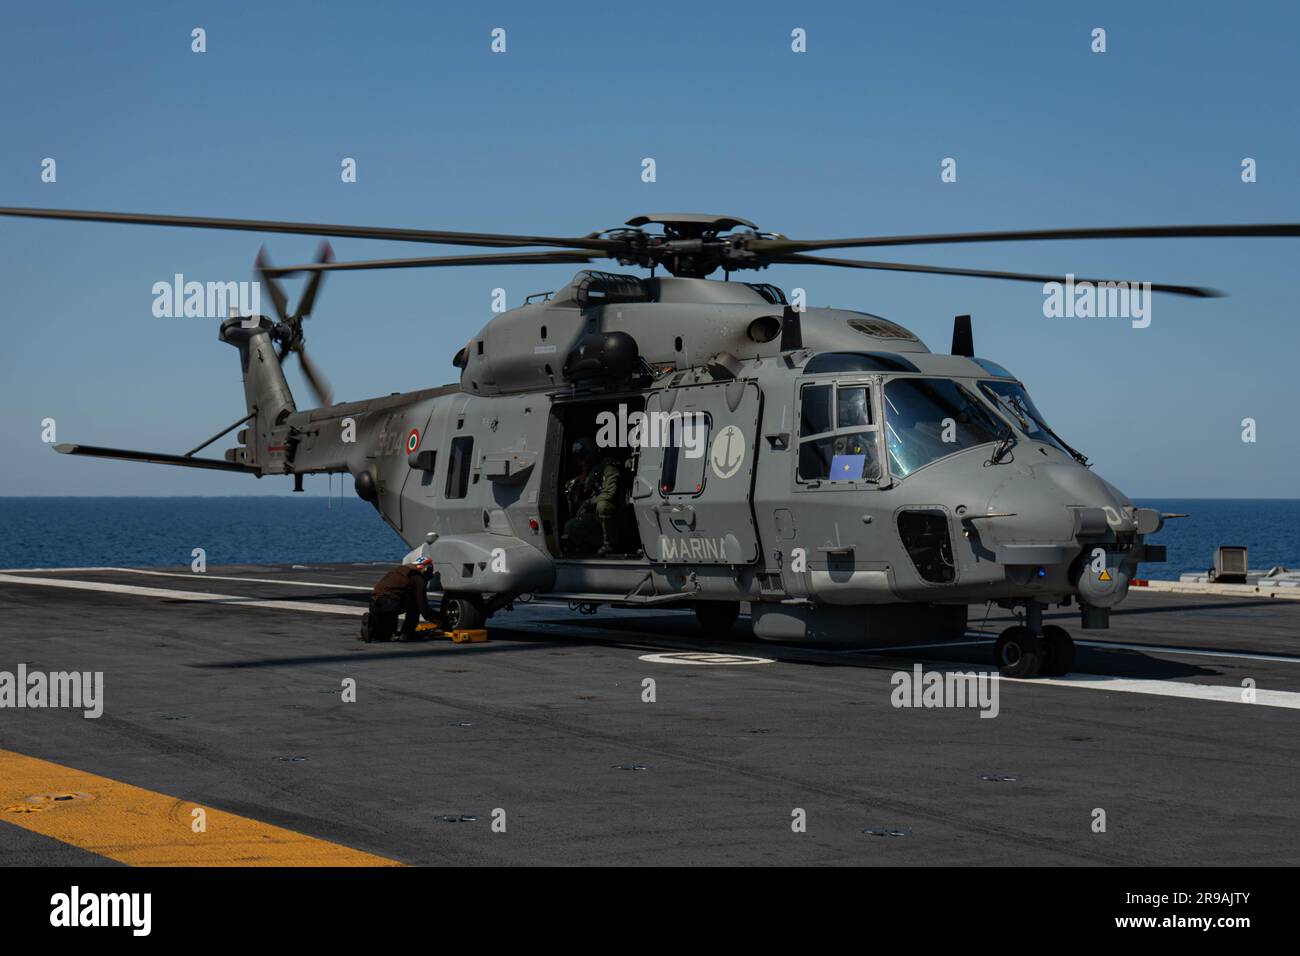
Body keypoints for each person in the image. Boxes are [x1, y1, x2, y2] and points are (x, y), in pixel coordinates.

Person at [562, 437, 624, 556]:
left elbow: (609, 494)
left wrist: (588, 503)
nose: (580, 461)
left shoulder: (608, 466)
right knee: (571, 526)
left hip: (616, 516)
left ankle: (610, 545)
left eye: (582, 456)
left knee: (603, 506)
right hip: (597, 518)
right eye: (578, 457)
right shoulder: (587, 474)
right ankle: (586, 547)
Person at [359, 556, 438, 643]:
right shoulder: (418, 578)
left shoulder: (400, 569)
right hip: (390, 605)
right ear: (426, 569)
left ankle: (371, 626)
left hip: (374, 603)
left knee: (384, 637)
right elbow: (425, 611)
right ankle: (407, 633)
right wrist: (442, 620)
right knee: (416, 603)